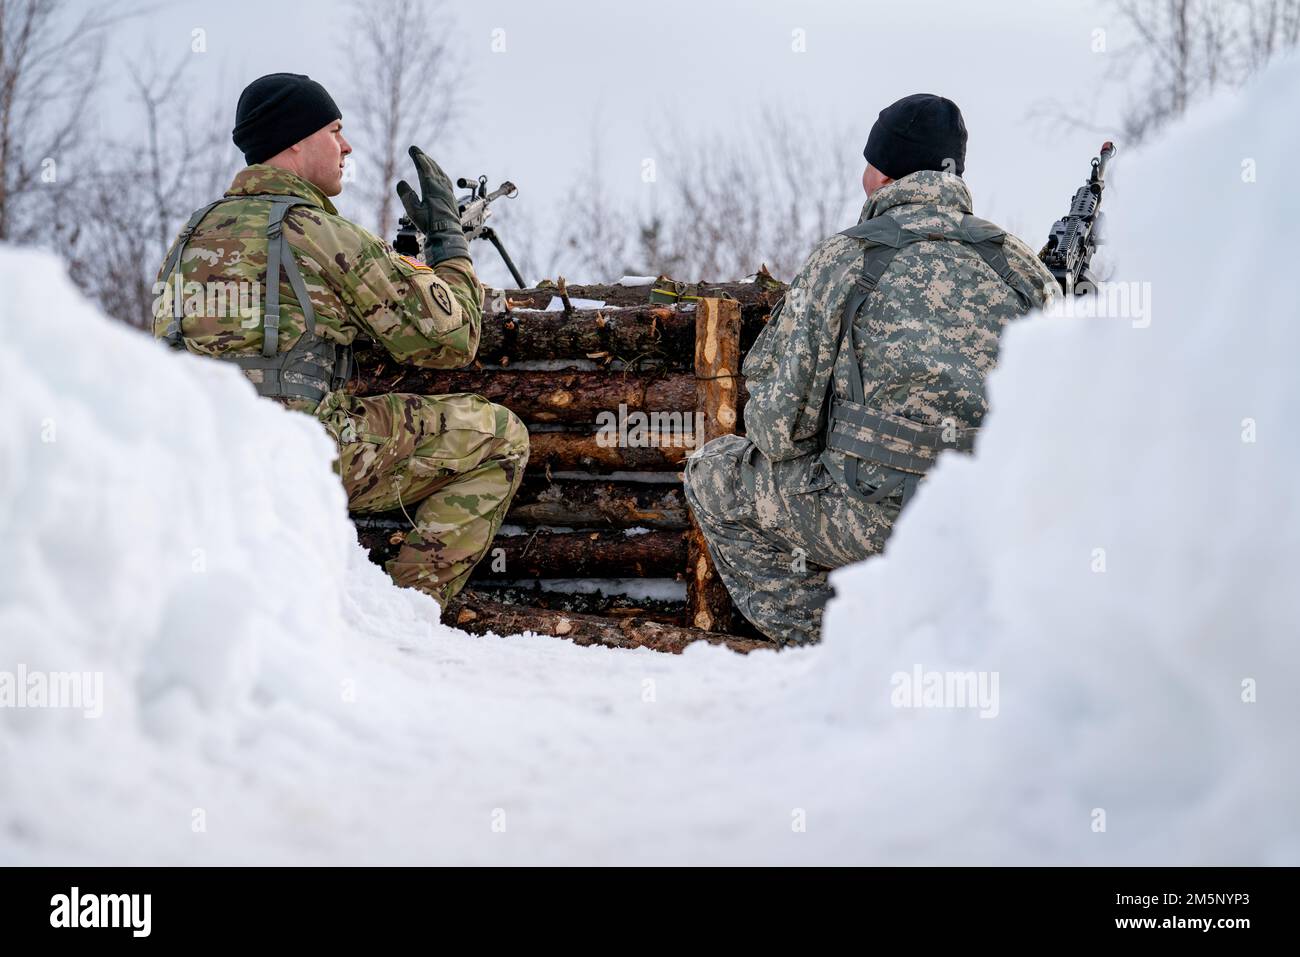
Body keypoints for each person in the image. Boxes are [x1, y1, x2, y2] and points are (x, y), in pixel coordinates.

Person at [683, 94, 1057, 645]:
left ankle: (833, 645)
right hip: (993, 522)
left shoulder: (845, 260)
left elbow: (778, 431)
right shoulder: (1022, 265)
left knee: (714, 473)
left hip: (873, 521)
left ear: (882, 174)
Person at [154, 72, 528, 607]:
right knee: (499, 436)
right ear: (296, 141)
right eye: (335, 130)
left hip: (198, 457)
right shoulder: (320, 232)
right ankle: (402, 610)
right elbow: (454, 338)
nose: (346, 145)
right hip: (298, 454)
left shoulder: (188, 235)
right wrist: (450, 247)